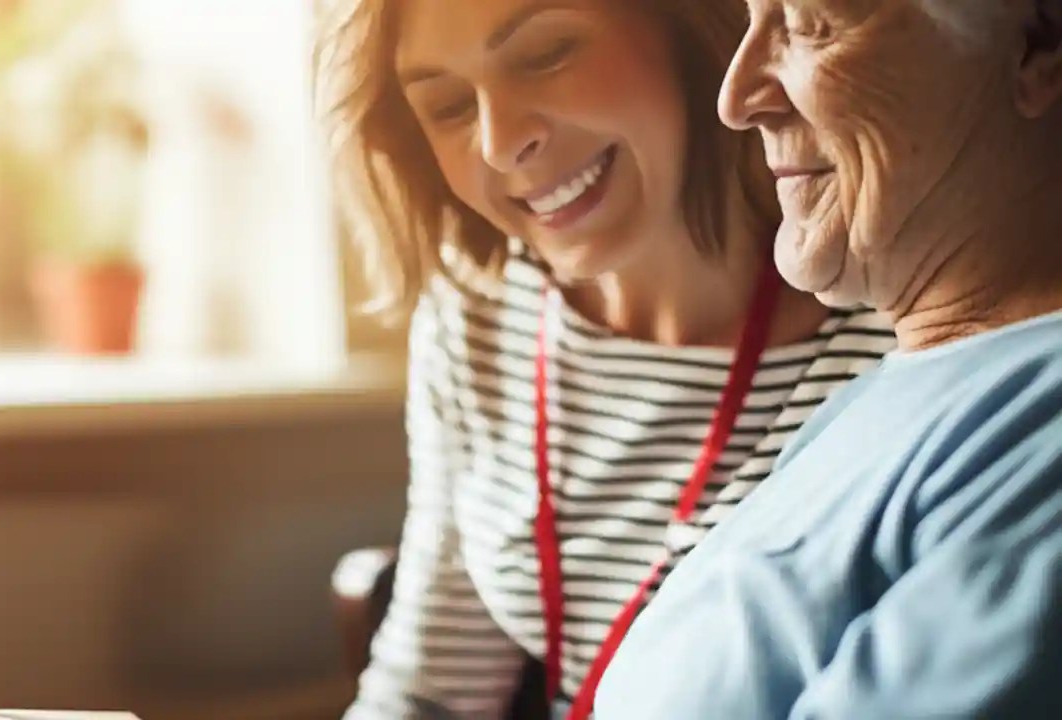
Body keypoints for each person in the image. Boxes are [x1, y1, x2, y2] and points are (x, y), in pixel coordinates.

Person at [315, 0, 895, 717]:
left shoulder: (890, 332)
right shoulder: (477, 318)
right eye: (449, 105)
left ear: (689, 29)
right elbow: (430, 692)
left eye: (546, 55)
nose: (500, 144)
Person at [595, 0, 1062, 717]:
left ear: (1038, 45)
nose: (737, 99)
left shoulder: (1038, 427)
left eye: (811, 22)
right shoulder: (905, 382)